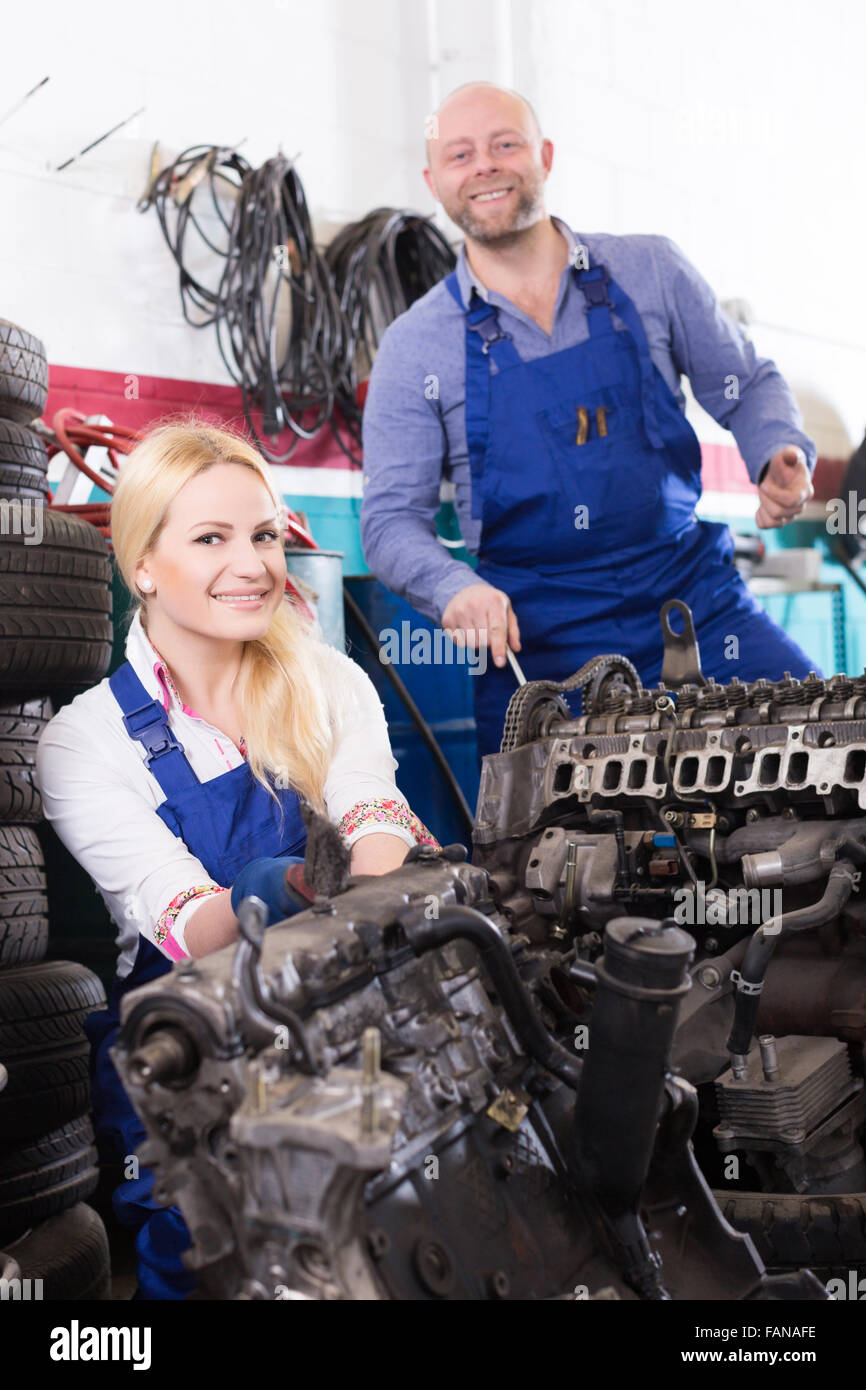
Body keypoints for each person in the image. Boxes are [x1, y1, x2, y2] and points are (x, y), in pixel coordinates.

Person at [35, 419, 437, 1299]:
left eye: (262, 534)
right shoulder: (86, 741)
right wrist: (274, 895)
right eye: (211, 538)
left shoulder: (330, 680)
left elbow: (372, 808)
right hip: (194, 1057)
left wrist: (368, 897)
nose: (252, 563)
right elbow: (182, 917)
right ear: (142, 563)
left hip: (355, 1011)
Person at [360, 82, 821, 756]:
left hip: (694, 609)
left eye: (505, 144)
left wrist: (778, 448)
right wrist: (451, 586)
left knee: (831, 757)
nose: (484, 165)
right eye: (460, 155)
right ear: (435, 182)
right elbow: (389, 520)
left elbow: (746, 382)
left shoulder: (651, 269)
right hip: (542, 647)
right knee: (544, 851)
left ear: (543, 155)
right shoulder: (414, 344)